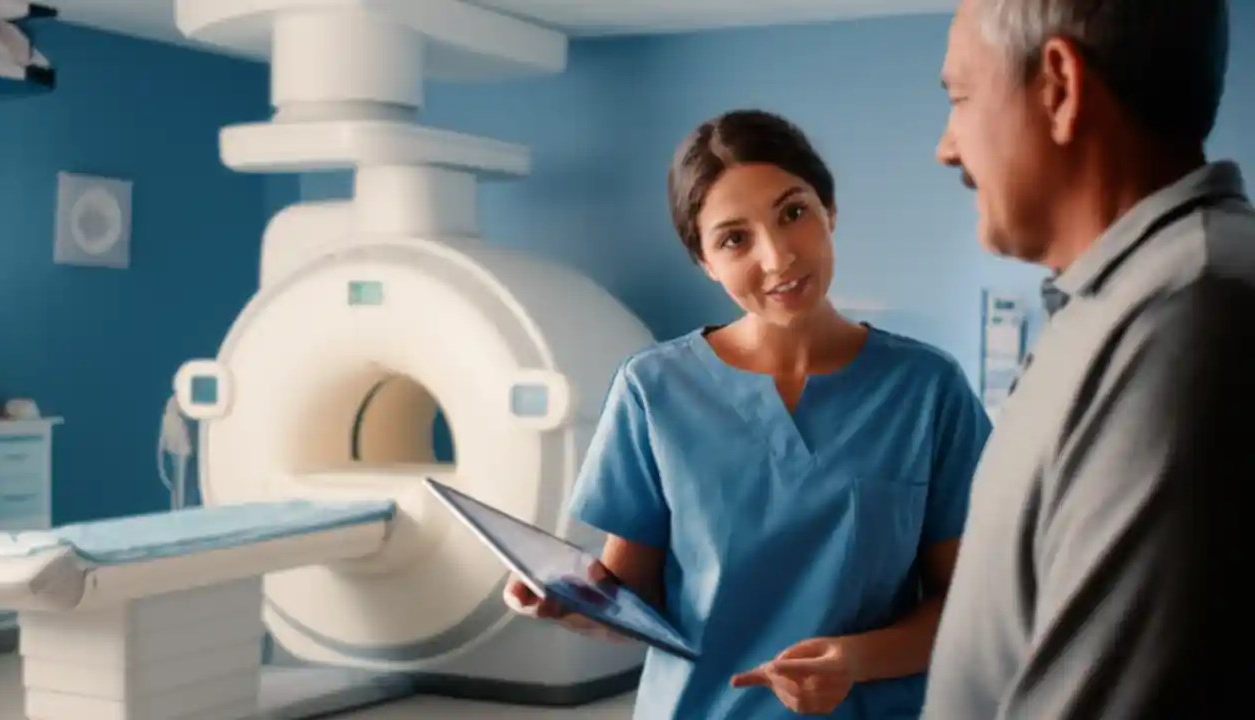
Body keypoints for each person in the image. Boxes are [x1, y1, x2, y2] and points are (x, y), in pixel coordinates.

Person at [504, 109, 992, 718]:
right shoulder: (653, 390)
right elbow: (633, 605)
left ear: (829, 210)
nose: (778, 257)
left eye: (793, 213)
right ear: (705, 260)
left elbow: (973, 605)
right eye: (735, 239)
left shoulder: (926, 390)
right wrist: (567, 605)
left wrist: (856, 660)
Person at [925, 1, 1255, 718]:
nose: (946, 148)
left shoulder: (1185, 319)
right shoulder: (1116, 304)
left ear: (1059, 88)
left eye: (960, 98)